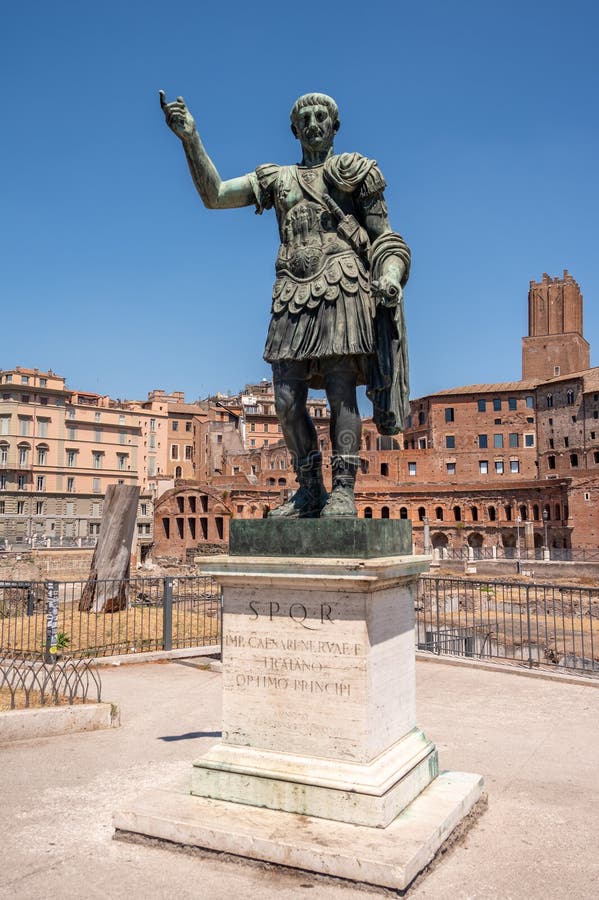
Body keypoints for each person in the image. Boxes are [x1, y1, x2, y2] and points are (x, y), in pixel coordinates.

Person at [160, 91, 411, 517]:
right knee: (285, 400)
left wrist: (388, 275)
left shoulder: (357, 172)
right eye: (305, 118)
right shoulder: (277, 179)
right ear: (294, 129)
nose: (313, 123)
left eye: (321, 116)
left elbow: (386, 238)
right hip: (292, 293)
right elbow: (216, 194)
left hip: (342, 284)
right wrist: (191, 139)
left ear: (334, 126)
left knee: (340, 390)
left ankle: (344, 489)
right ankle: (309, 488)